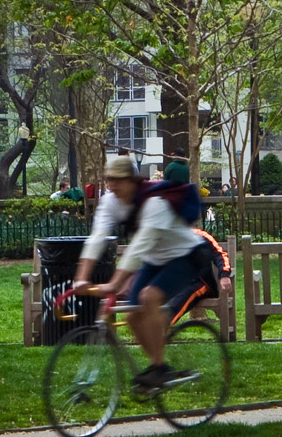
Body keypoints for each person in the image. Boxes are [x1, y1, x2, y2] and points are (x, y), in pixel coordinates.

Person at [73, 156, 216, 393]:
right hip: (155, 259)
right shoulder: (110, 202)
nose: (113, 186)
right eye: (109, 180)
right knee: (131, 316)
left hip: (185, 255)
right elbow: (97, 238)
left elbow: (138, 247)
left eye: (119, 180)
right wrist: (81, 277)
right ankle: (156, 368)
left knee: (149, 297)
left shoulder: (154, 203)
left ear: (133, 181)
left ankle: (160, 369)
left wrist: (114, 284)